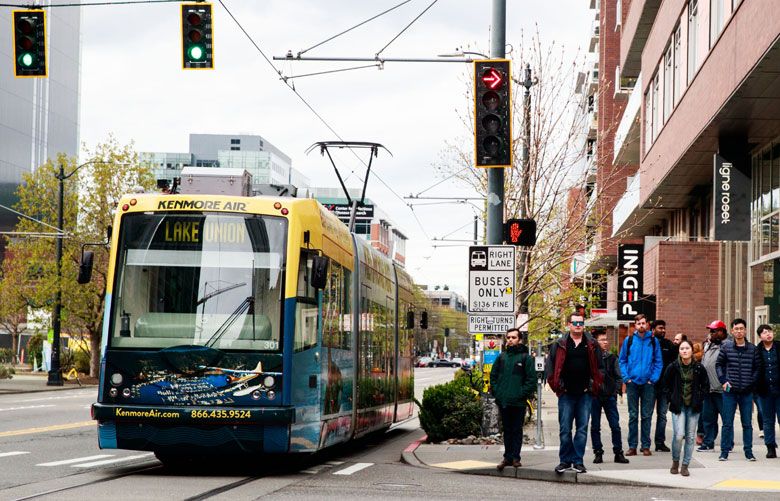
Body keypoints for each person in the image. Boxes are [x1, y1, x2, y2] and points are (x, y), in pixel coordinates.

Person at [547, 312, 603, 474]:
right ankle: (564, 461)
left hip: (585, 394)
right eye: (575, 323)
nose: (578, 326)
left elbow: (600, 368)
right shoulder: (560, 344)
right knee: (565, 429)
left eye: (581, 323)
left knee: (582, 429)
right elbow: (550, 368)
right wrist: (558, 387)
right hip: (566, 394)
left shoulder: (592, 344)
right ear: (568, 325)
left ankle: (578, 461)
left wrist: (593, 385)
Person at [490, 328, 536, 470]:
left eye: (513, 337)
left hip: (518, 402)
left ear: (519, 339)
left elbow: (531, 380)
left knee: (516, 430)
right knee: (507, 430)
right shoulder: (501, 357)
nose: (510, 340)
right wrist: (498, 392)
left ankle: (516, 457)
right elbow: (493, 376)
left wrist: (521, 393)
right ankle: (507, 457)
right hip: (503, 401)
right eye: (508, 337)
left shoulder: (526, 358)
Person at [716, 318, 761, 461]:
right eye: (736, 329)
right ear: (732, 331)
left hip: (747, 392)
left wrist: (752, 383)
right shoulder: (726, 347)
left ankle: (748, 452)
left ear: (746, 330)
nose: (739, 331)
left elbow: (758, 368)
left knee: (747, 424)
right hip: (730, 391)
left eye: (742, 328)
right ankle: (724, 452)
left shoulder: (753, 349)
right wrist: (723, 380)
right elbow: (719, 365)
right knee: (727, 423)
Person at [619, 313, 663, 456]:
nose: (641, 326)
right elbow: (622, 360)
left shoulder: (654, 341)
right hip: (632, 383)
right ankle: (632, 446)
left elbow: (658, 362)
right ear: (635, 325)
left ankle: (645, 446)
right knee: (633, 416)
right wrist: (626, 378)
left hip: (648, 384)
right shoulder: (629, 340)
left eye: (643, 323)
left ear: (647, 324)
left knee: (646, 415)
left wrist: (653, 379)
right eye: (638, 324)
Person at [663, 340, 709, 476]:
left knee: (689, 437)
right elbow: (665, 385)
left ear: (691, 351)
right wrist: (671, 398)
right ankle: (675, 461)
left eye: (687, 348)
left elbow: (706, 386)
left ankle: (685, 465)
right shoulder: (673, 367)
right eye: (682, 348)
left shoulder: (699, 368)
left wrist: (700, 399)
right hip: (678, 405)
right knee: (678, 435)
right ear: (679, 351)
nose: (684, 350)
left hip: (693, 407)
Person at [590, 331, 630, 464]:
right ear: (596, 342)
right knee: (595, 426)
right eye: (602, 340)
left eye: (606, 339)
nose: (605, 342)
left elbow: (619, 377)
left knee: (615, 425)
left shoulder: (612, 358)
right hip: (594, 396)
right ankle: (598, 452)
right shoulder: (591, 359)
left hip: (609, 397)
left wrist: (615, 391)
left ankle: (618, 452)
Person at [698, 322, 727, 452]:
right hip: (708, 389)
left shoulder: (727, 346)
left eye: (714, 331)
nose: (711, 333)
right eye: (711, 331)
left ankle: (728, 444)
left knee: (726, 419)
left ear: (722, 332)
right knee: (708, 418)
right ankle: (708, 442)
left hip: (722, 389)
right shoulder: (708, 345)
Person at [755, 324, 780, 458]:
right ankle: (770, 447)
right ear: (760, 336)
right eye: (764, 332)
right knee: (768, 420)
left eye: (769, 331)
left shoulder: (779, 347)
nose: (768, 334)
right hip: (765, 392)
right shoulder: (757, 351)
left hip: (779, 390)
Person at [652, 320, 675, 452]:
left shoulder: (668, 344)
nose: (663, 330)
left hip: (665, 387)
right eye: (660, 328)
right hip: (650, 385)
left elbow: (674, 363)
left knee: (662, 415)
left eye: (664, 328)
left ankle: (660, 442)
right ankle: (645, 444)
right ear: (653, 329)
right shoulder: (648, 343)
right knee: (647, 415)